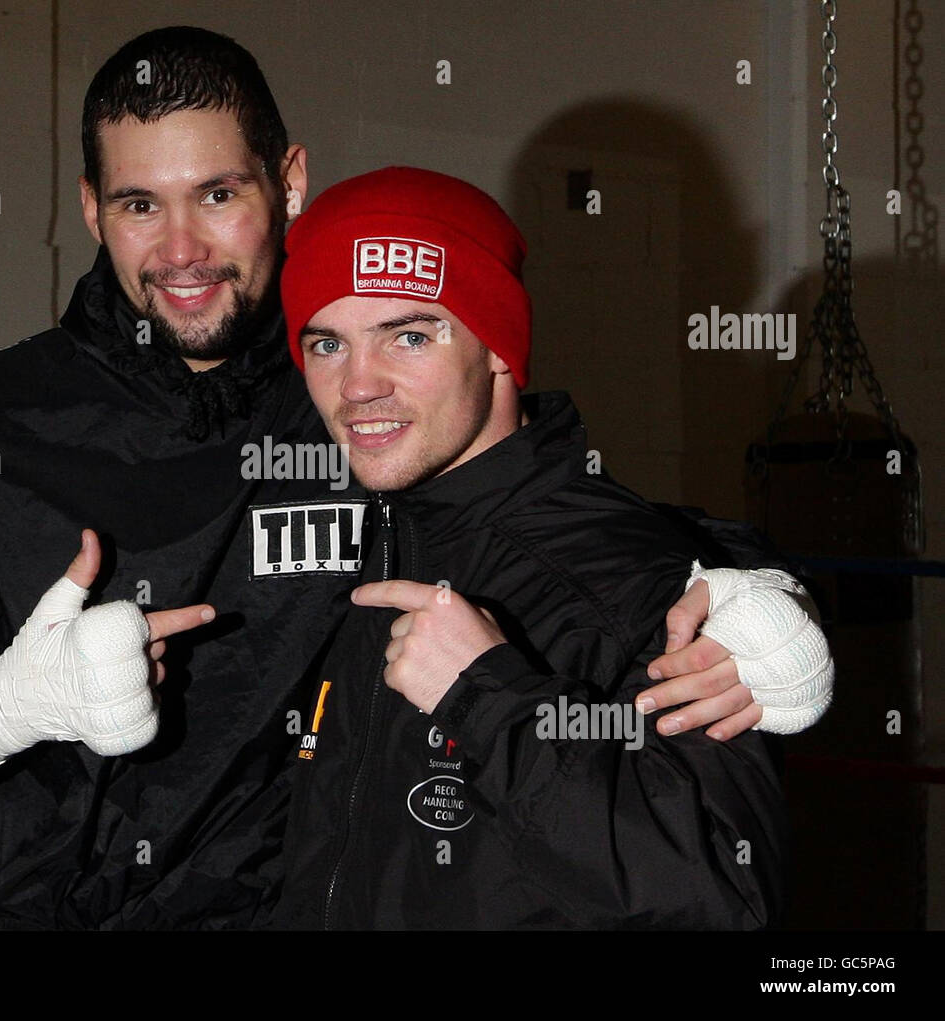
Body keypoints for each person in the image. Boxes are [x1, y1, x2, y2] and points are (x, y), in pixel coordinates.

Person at [0, 29, 828, 930]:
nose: (181, 250)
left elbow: (549, 515)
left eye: (218, 194)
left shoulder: (351, 396)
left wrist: (765, 597)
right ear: (92, 212)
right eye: (140, 206)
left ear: (287, 184)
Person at [274, 166, 830, 929]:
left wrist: (489, 699)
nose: (358, 384)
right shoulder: (370, 539)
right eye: (327, 343)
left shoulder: (642, 587)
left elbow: (724, 899)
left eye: (408, 335)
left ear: (499, 349)